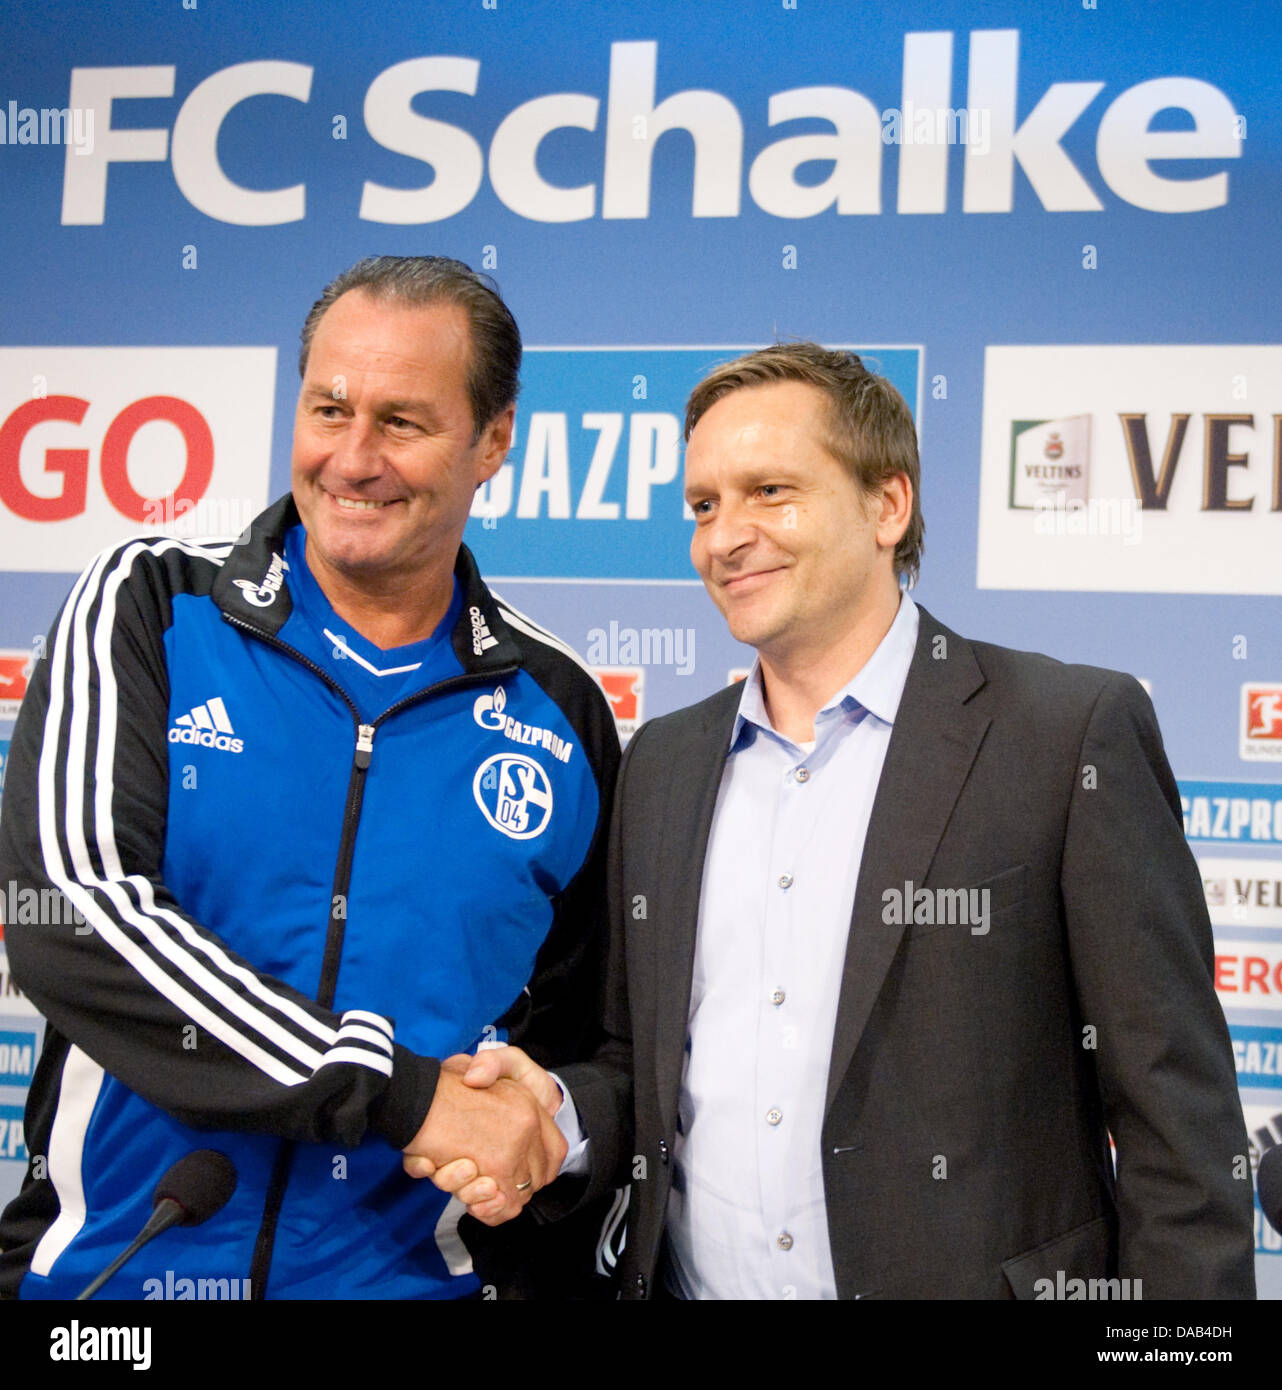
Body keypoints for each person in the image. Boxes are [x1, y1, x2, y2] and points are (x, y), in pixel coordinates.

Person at [434, 341, 1256, 1300]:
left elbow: (1178, 1128)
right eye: (703, 506)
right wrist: (562, 1117)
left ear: (887, 505)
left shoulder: (1065, 733)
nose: (725, 537)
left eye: (770, 492)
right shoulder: (661, 761)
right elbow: (637, 1061)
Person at [0, 256, 618, 1300]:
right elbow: (73, 918)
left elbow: (592, 1041)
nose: (354, 457)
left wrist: (546, 1120)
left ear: (494, 442)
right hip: (112, 1281)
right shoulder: (150, 602)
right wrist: (396, 1091)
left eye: (404, 423)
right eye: (329, 408)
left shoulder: (560, 707)